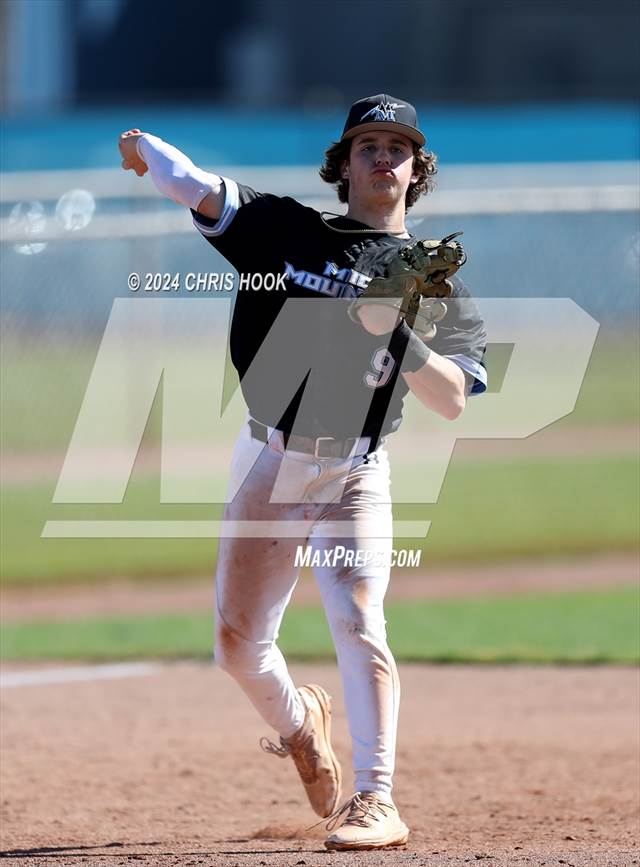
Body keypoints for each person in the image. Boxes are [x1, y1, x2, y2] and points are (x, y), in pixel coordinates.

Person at [119, 93, 487, 851]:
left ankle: (376, 798)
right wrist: (145, 147)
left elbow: (452, 399)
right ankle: (300, 726)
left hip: (356, 473)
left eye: (398, 147)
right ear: (342, 165)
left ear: (416, 170)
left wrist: (399, 334)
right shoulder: (287, 230)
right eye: (367, 145)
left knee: (359, 620)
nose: (383, 157)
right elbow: (195, 186)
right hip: (269, 459)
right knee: (237, 646)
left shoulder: (434, 281)